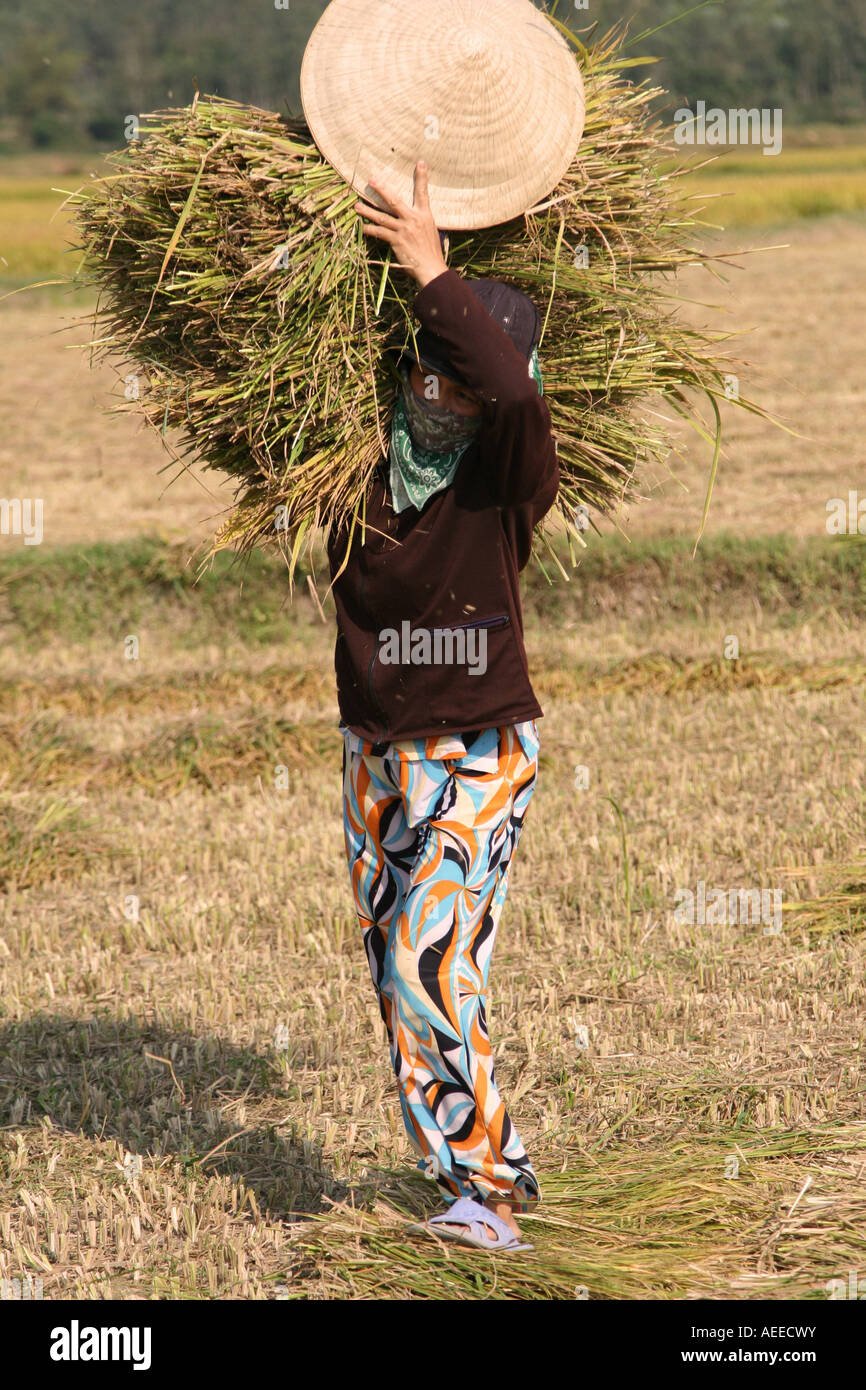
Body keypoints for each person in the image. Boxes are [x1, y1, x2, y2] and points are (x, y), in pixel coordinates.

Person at [324, 159, 559, 1253]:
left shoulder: (506, 470)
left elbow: (510, 390)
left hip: (474, 747)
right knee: (391, 972)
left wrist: (429, 266)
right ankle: (465, 1169)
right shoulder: (357, 469)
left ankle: (491, 1196)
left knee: (431, 959)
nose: (448, 398)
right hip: (374, 749)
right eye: (434, 377)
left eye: (464, 380)